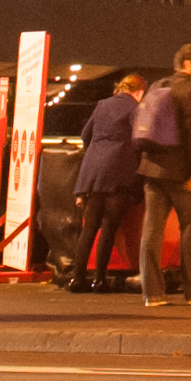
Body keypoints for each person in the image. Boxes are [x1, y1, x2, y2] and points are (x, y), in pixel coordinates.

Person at [138, 43, 191, 308]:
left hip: (152, 169)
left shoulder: (158, 85)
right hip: (181, 172)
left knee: (151, 231)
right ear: (187, 64)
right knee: (190, 229)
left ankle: (152, 293)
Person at [67, 74, 145, 292]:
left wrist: (94, 153)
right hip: (119, 170)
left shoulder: (102, 105)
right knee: (109, 228)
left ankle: (77, 279)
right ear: (139, 91)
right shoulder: (136, 108)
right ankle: (100, 280)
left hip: (93, 172)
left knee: (89, 227)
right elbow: (139, 140)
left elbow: (85, 134)